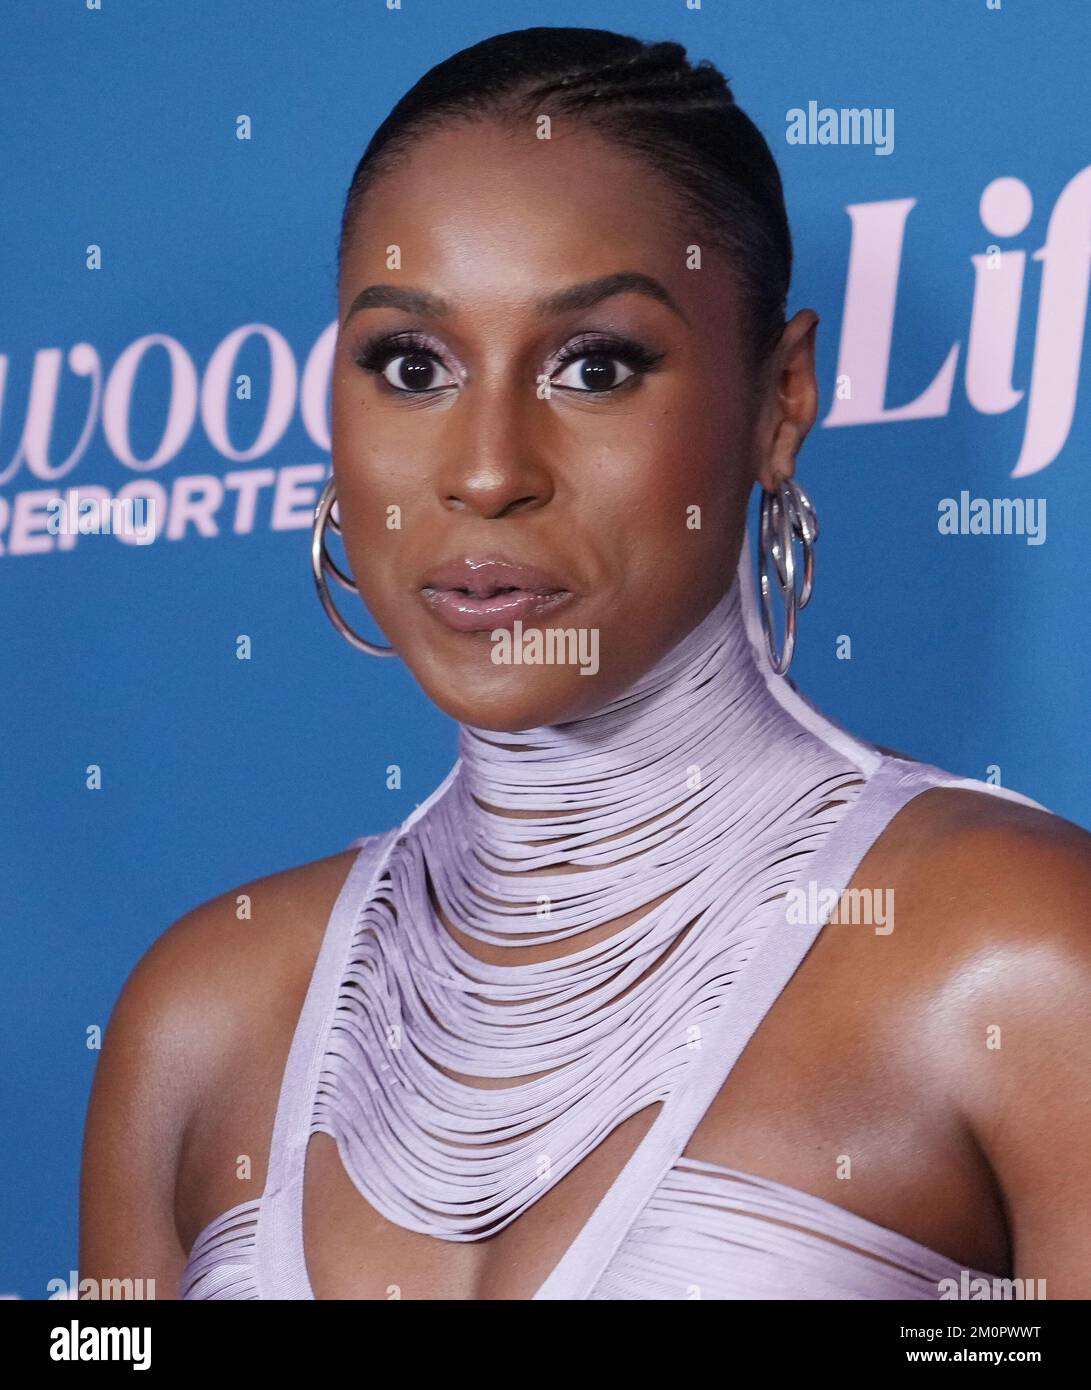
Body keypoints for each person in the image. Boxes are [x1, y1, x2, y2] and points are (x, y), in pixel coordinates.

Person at [80, 26, 1091, 1300]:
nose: (488, 469)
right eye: (410, 365)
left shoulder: (1025, 958)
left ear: (779, 400)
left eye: (594, 365)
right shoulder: (199, 1013)